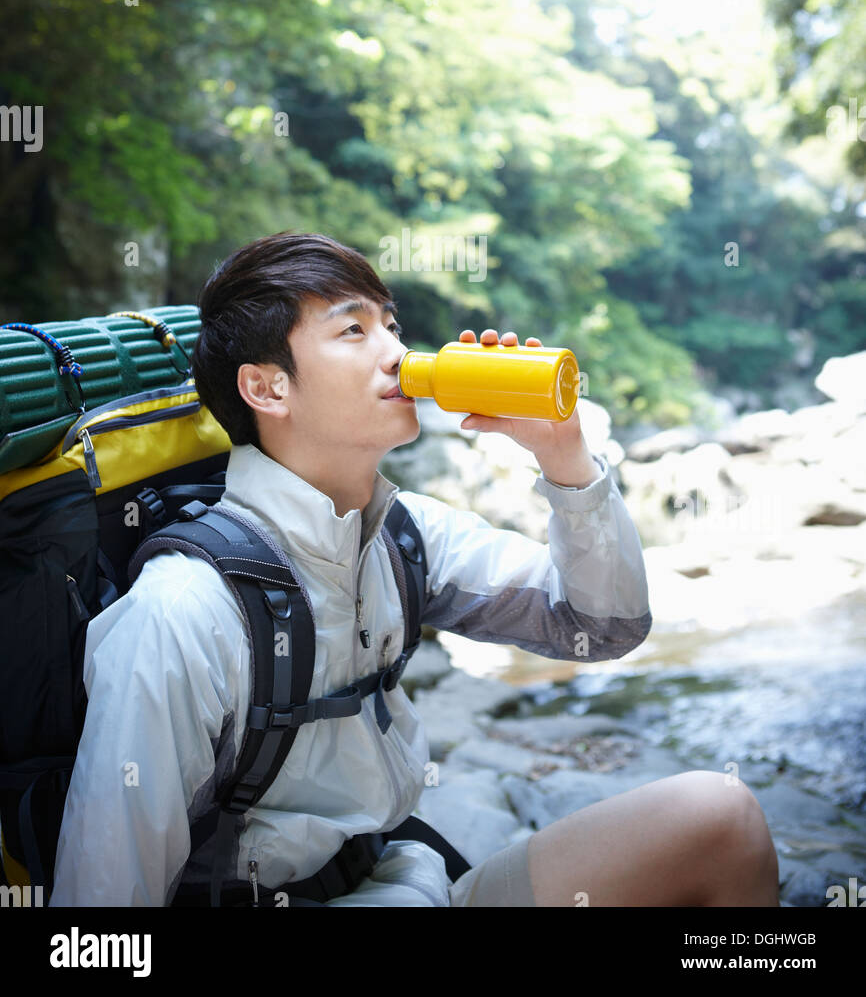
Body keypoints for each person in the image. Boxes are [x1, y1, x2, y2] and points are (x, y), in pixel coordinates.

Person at [49, 230, 779, 907]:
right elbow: (103, 905)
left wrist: (563, 455)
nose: (396, 351)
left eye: (391, 324)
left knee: (722, 816)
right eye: (353, 329)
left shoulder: (404, 534)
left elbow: (603, 625)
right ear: (267, 388)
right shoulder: (182, 611)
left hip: (406, 880)